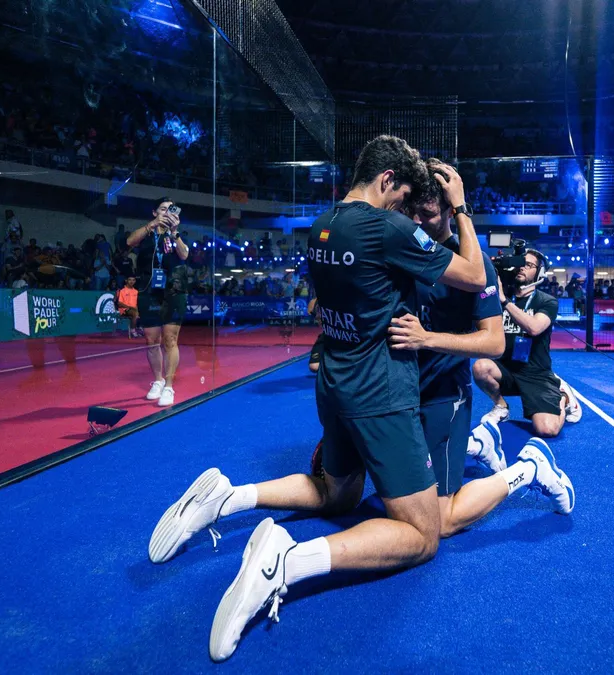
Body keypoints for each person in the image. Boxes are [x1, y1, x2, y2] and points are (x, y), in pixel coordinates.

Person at [147, 137, 518, 663]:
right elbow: (476, 274)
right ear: (387, 181)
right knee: (424, 533)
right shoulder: (387, 226)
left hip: (335, 383)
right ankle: (287, 560)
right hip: (381, 391)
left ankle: (227, 499)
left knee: (339, 493)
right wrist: (458, 207)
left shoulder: (321, 226)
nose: (405, 209)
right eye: (403, 197)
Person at [388, 158, 573, 540]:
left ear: (449, 213)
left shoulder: (476, 266)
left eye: (428, 213)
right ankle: (480, 442)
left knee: (437, 524)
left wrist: (427, 339)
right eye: (412, 213)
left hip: (444, 393)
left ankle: (529, 468)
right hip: (400, 392)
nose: (418, 222)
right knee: (391, 506)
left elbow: (494, 341)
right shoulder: (402, 248)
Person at [472, 249, 582, 437]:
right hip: (506, 369)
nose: (523, 267)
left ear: (539, 273)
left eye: (530, 265)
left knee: (547, 429)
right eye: (521, 263)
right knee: (480, 367)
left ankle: (563, 396)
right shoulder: (499, 296)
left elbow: (534, 328)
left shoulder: (546, 301)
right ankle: (501, 406)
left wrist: (505, 302)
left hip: (535, 373)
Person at [126, 198, 189, 407]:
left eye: (170, 210)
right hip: (148, 290)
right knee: (151, 340)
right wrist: (151, 226)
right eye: (163, 209)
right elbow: (129, 242)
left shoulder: (175, 234)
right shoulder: (146, 233)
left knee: (170, 339)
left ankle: (169, 386)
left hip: (173, 290)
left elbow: (184, 254)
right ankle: (158, 381)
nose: (166, 213)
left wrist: (175, 231)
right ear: (154, 212)